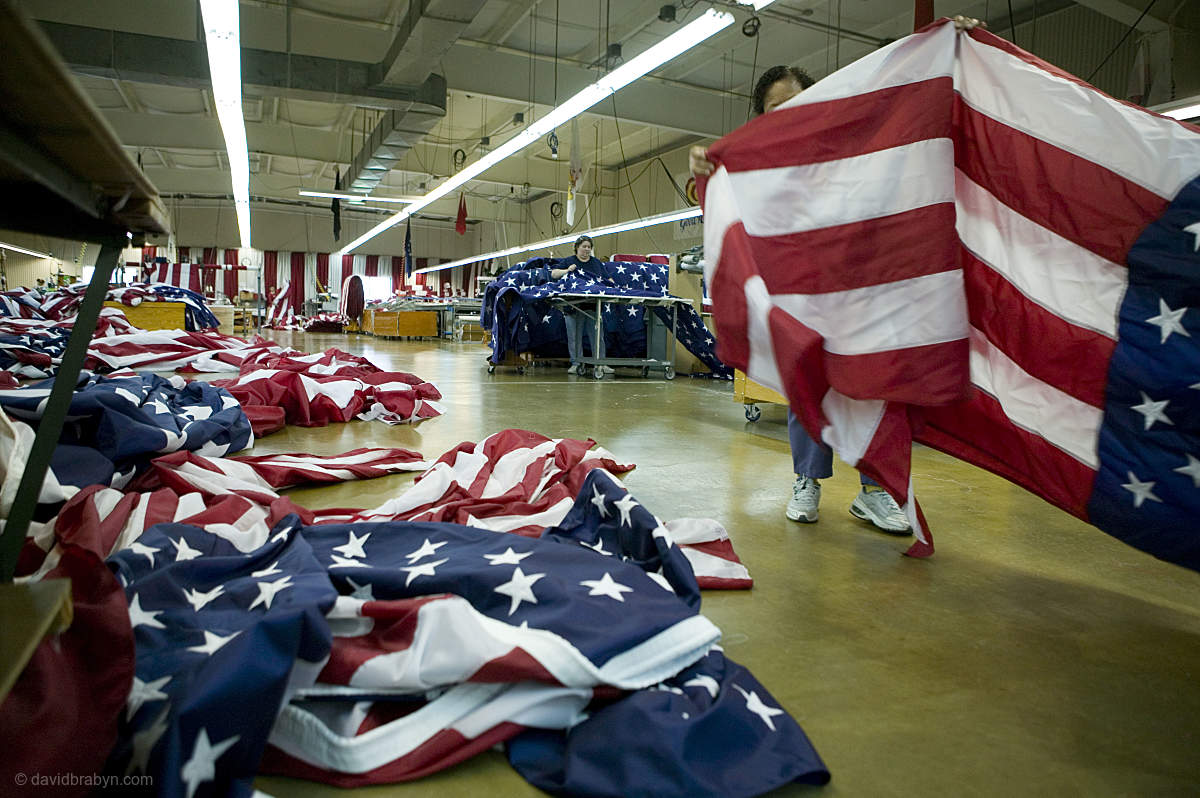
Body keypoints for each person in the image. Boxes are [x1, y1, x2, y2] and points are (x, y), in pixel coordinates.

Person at [690, 65, 911, 534]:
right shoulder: (756, 165)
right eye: (777, 107)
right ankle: (806, 479)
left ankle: (875, 490)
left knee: (870, 383)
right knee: (806, 384)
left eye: (799, 103)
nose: (790, 114)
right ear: (760, 116)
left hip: (852, 290)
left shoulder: (842, 150)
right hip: (797, 296)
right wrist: (703, 171)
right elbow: (717, 196)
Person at [544, 235, 612, 374]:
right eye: (584, 246)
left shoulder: (596, 263)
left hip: (593, 306)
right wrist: (567, 270)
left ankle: (601, 363)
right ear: (577, 248)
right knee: (574, 337)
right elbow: (554, 274)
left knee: (598, 337)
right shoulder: (569, 261)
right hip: (573, 306)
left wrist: (613, 287)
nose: (586, 249)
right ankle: (576, 364)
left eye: (589, 247)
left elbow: (608, 279)